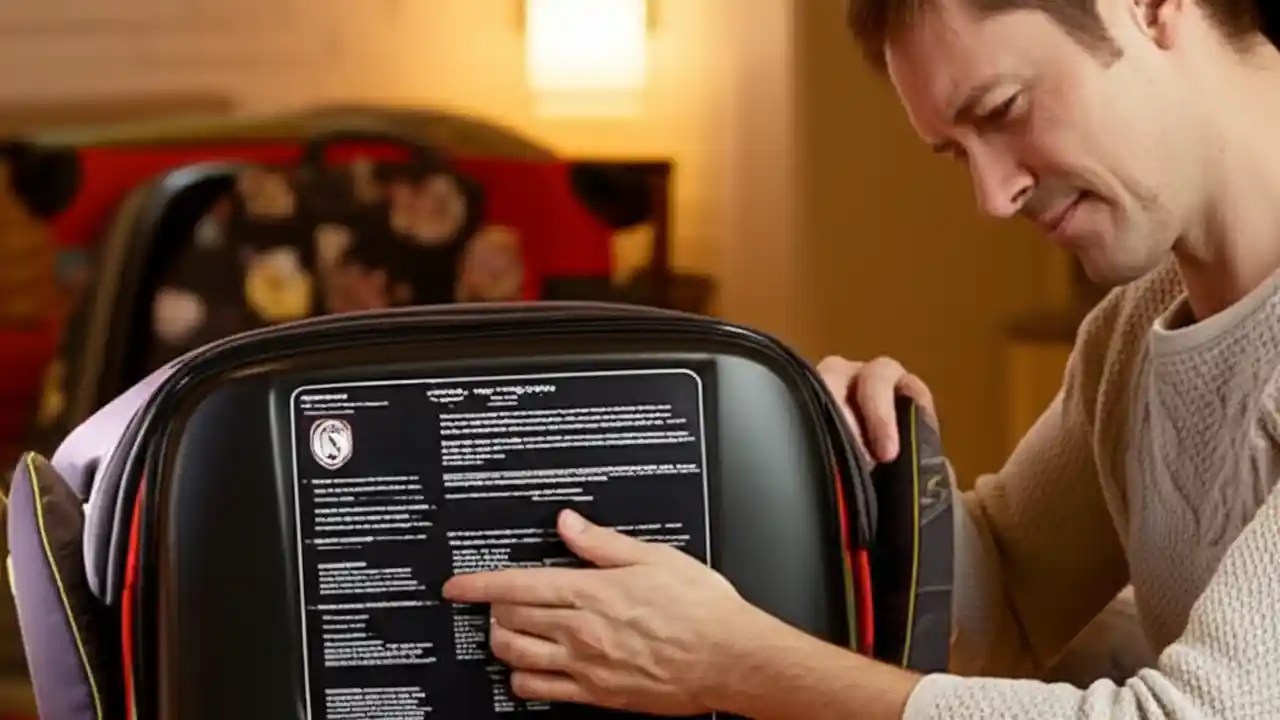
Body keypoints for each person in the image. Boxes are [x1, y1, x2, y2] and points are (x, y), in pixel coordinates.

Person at [441, 0, 1280, 717]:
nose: (992, 197)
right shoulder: (1130, 336)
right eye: (956, 151)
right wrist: (855, 467)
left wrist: (731, 663)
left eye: (1003, 109)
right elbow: (1010, 607)